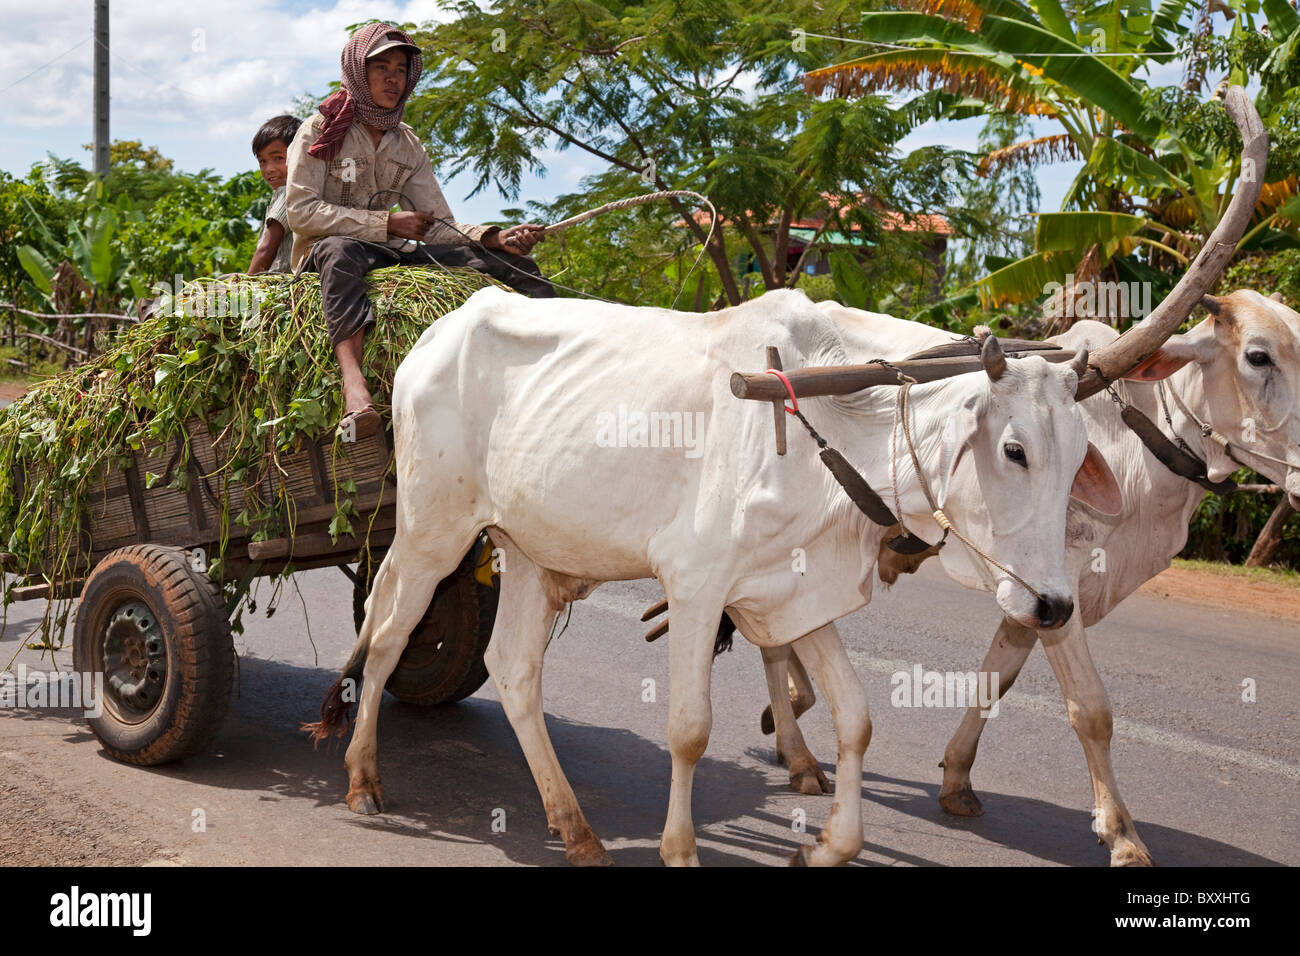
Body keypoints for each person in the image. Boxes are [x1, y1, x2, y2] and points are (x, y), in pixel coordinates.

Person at [286, 22, 555, 439]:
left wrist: (494, 237)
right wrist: (386, 222)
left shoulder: (406, 144)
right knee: (341, 250)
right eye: (382, 68)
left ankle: (555, 363)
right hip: (327, 254)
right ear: (358, 71)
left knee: (508, 263)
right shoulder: (318, 131)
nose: (393, 79)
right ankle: (355, 389)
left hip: (387, 250)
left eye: (400, 70)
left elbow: (438, 225)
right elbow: (301, 212)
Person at [248, 114, 303, 274]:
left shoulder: (289, 190)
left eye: (278, 158)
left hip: (279, 278)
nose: (269, 169)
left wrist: (244, 287)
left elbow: (266, 249)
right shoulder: (304, 189)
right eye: (262, 161)